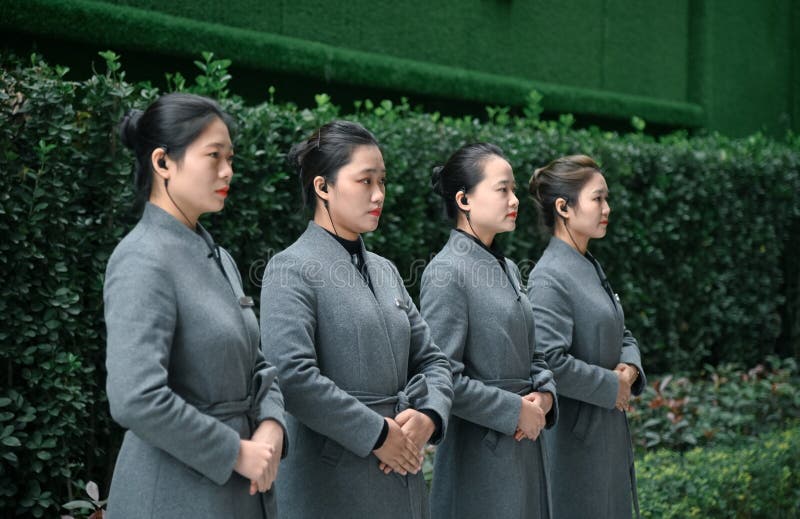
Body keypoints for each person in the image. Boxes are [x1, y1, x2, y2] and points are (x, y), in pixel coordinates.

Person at [104, 93, 286, 518]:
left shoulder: (218, 257)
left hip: (243, 490)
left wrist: (273, 425)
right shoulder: (141, 258)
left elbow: (258, 366)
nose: (228, 171)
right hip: (176, 493)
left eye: (231, 157)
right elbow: (135, 397)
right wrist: (233, 451)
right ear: (162, 162)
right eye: (213, 156)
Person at [259, 120, 453, 519]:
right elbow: (293, 377)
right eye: (365, 181)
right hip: (332, 484)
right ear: (322, 187)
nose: (378, 194)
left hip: (404, 475)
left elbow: (433, 359)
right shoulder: (289, 269)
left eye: (382, 181)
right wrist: (377, 434)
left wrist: (430, 416)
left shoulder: (385, 270)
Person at [420, 142, 558, 519]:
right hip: (481, 461)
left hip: (527, 446)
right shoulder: (446, 272)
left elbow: (536, 354)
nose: (514, 199)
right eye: (502, 189)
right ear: (464, 199)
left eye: (513, 189)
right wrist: (514, 410)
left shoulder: (508, 267)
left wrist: (544, 396)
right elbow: (442, 375)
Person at [527, 155, 647, 519]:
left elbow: (619, 328)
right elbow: (549, 362)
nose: (606, 208)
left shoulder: (588, 264)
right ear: (563, 207)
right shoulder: (549, 277)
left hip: (607, 432)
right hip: (577, 445)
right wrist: (612, 385)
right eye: (598, 199)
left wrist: (630, 368)